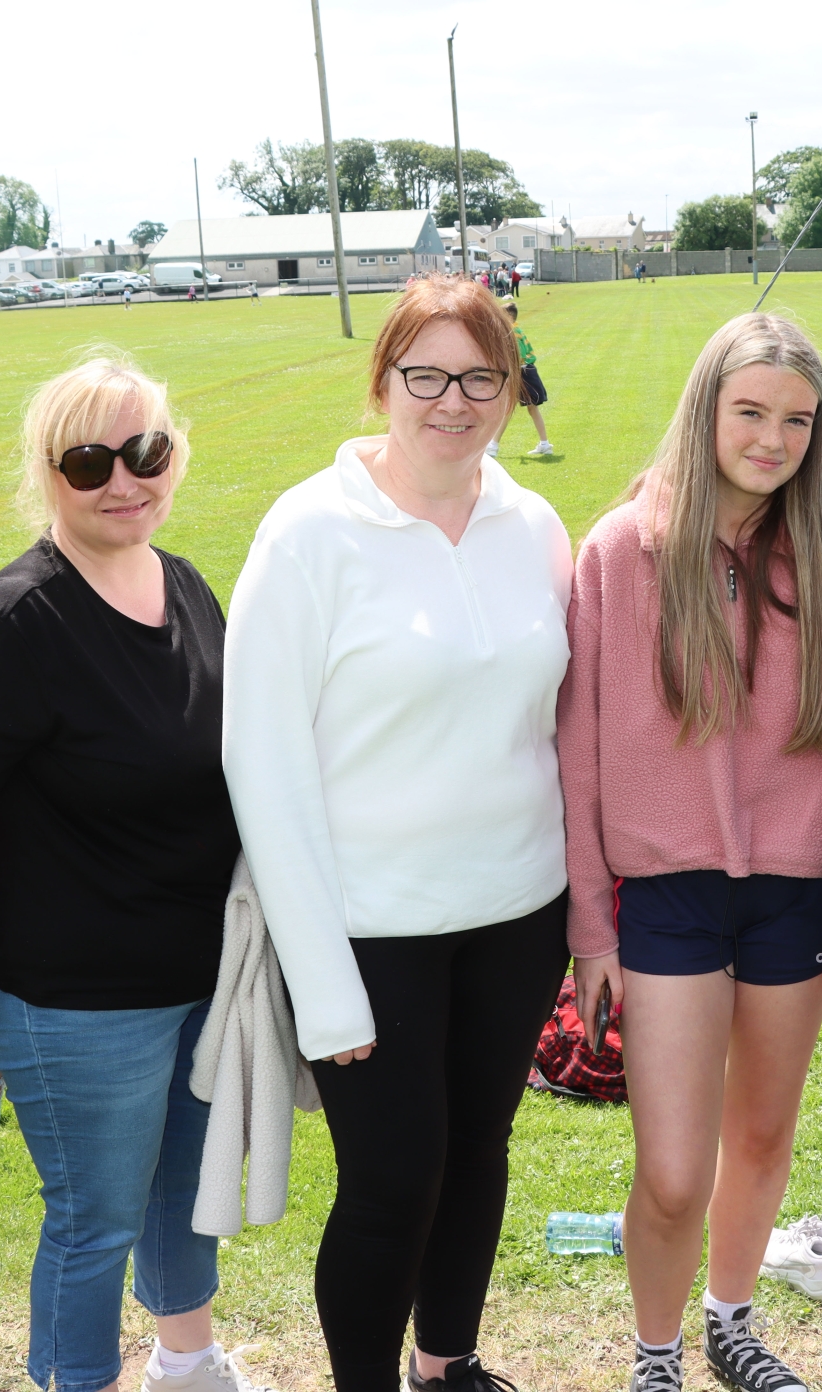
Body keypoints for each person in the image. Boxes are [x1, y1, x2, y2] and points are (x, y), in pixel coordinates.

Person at [223, 274, 572, 1392]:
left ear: (512, 390)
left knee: (477, 1154)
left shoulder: (536, 525)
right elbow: (262, 765)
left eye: (482, 377)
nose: (454, 402)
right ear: (384, 384)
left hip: (519, 916)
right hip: (372, 931)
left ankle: (448, 1365)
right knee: (392, 1182)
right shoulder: (308, 533)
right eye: (426, 375)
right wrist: (321, 981)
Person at [0, 359, 260, 1392]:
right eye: (90, 462)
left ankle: (189, 1364)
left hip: (195, 974)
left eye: (146, 453)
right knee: (95, 1221)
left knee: (184, 1192)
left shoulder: (178, 579)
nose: (123, 483)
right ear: (46, 475)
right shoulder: (17, 625)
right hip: (79, 1005)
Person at [563, 314, 822, 1392]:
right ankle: (657, 1354)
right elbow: (581, 751)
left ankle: (730, 1321)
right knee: (674, 1169)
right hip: (667, 895)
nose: (773, 438)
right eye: (750, 411)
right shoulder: (621, 549)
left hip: (798, 888)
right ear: (707, 409)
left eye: (796, 418)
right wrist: (590, 929)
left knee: (764, 1133)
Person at [500, 301, 553, 458]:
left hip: (523, 373)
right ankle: (544, 444)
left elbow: (520, 354)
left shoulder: (513, 331)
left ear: (509, 316)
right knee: (530, 408)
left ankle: (493, 446)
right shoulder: (515, 329)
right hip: (526, 372)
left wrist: (511, 370)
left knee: (510, 407)